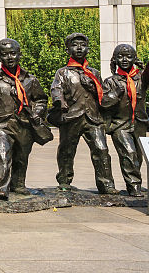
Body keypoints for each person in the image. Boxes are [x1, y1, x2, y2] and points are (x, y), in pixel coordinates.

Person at [0, 31, 50, 200]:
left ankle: (18, 184)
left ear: (19, 54)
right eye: (4, 54)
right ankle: (1, 189)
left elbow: (41, 99)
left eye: (13, 53)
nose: (9, 57)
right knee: (2, 154)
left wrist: (37, 112)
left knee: (21, 157)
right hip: (1, 124)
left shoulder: (30, 80)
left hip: (25, 124)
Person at [50, 32, 117, 194]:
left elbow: (102, 94)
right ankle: (64, 180)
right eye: (74, 45)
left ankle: (106, 184)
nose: (79, 48)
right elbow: (56, 88)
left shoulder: (94, 73)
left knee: (101, 149)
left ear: (88, 49)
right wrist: (59, 101)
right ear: (67, 50)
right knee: (67, 150)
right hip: (71, 117)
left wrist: (92, 87)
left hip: (93, 118)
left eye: (83, 45)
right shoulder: (63, 72)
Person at [101, 44, 149, 196]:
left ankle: (134, 183)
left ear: (134, 59)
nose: (124, 60)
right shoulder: (111, 82)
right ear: (115, 59)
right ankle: (134, 186)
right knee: (129, 153)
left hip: (139, 123)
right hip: (120, 124)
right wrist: (115, 94)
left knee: (138, 157)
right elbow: (104, 103)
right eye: (120, 56)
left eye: (128, 56)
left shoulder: (141, 79)